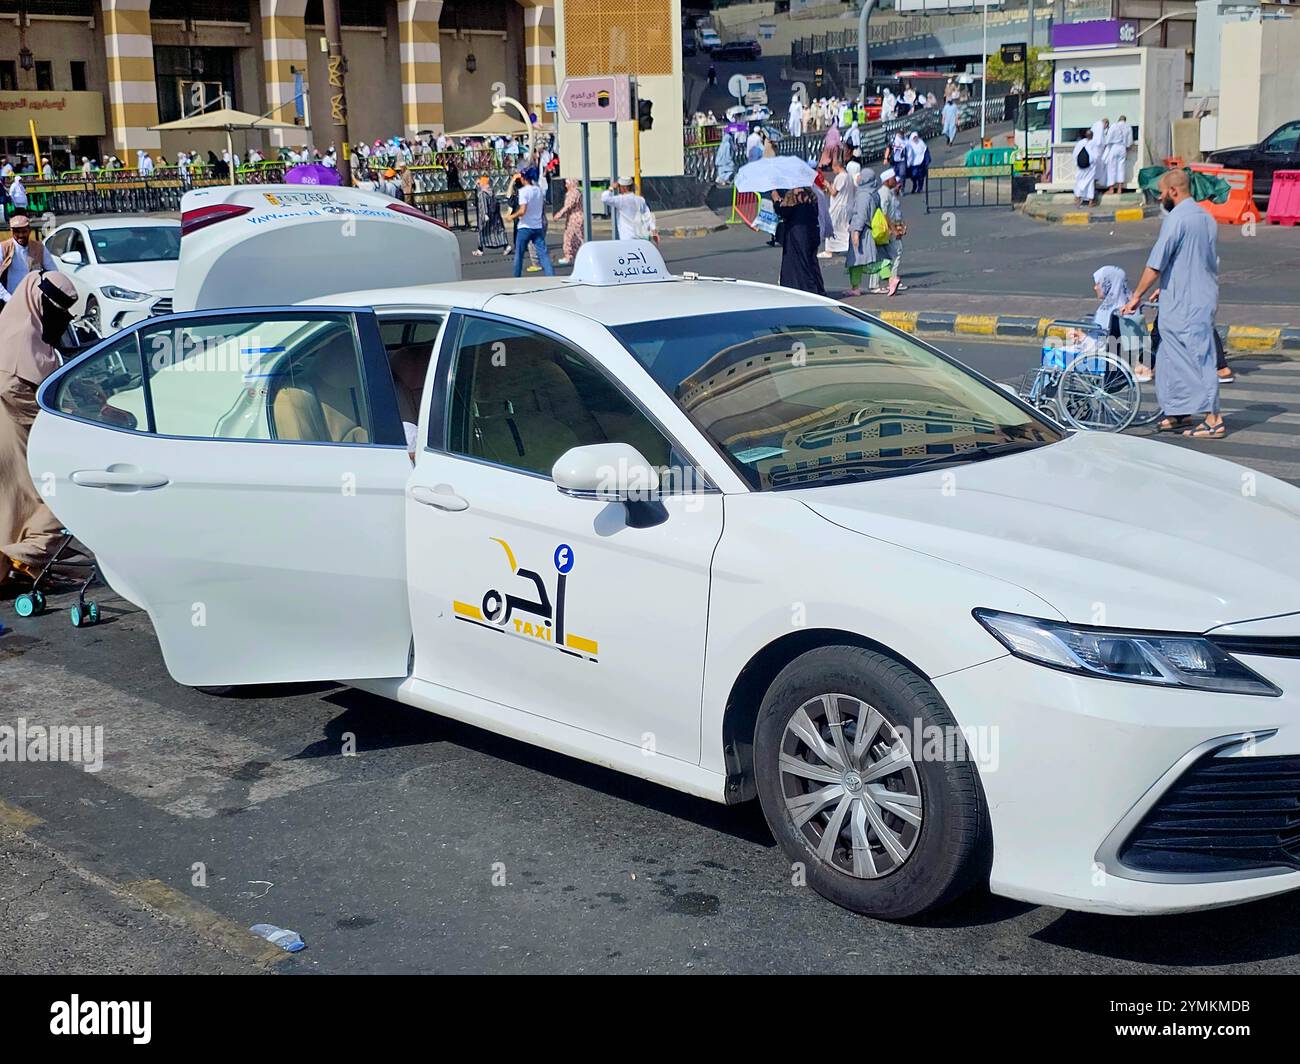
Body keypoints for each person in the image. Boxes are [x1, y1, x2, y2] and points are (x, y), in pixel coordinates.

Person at [1122, 168, 1224, 438]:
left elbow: (1156, 263)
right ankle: (1179, 411)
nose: (1159, 197)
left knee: (1198, 356)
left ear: (1174, 191)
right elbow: (1195, 261)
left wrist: (1136, 296)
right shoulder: (1206, 218)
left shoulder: (1177, 219)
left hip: (1188, 303)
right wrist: (1164, 289)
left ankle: (1214, 419)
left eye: (1162, 192)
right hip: (1189, 297)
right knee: (1169, 356)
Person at [0, 271, 79, 588]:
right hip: (18, 435)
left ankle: (19, 565)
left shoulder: (19, 328)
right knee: (56, 497)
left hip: (17, 436)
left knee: (15, 502)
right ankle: (20, 557)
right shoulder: (20, 342)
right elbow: (17, 388)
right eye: (57, 309)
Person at [773, 186, 825, 296]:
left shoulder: (799, 204)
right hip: (810, 235)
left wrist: (776, 200)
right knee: (810, 262)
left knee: (799, 264)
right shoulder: (812, 201)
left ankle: (807, 289)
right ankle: (816, 288)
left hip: (797, 238)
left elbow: (783, 211)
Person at [506, 167, 553, 278]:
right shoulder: (538, 190)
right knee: (543, 253)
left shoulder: (523, 191)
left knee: (519, 255)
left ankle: (516, 277)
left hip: (525, 226)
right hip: (537, 226)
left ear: (524, 178)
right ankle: (551, 276)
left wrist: (511, 216)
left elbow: (522, 211)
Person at [0, 216, 57, 304]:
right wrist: (8, 298)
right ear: (11, 231)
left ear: (29, 230)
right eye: (17, 232)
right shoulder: (3, 248)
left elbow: (53, 272)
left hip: (34, 297)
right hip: (11, 298)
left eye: (24, 231)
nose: (21, 235)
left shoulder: (39, 248)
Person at [843, 162, 876, 297]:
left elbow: (860, 215)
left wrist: (856, 231)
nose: (858, 178)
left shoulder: (863, 195)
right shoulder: (872, 193)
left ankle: (855, 287)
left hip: (862, 232)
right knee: (867, 259)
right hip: (867, 230)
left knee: (856, 260)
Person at [878, 167, 905, 297]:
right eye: (893, 179)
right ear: (887, 180)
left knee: (890, 254)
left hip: (891, 227)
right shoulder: (884, 193)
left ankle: (891, 280)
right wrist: (893, 229)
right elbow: (884, 213)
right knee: (895, 253)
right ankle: (892, 279)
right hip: (887, 229)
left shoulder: (888, 192)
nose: (895, 181)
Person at [601, 177, 653, 242]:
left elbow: (604, 198)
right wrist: (653, 230)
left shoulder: (620, 200)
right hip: (641, 235)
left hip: (627, 237)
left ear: (623, 188)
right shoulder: (640, 199)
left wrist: (611, 188)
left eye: (619, 186)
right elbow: (647, 215)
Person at [820, 156, 852, 259]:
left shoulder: (841, 177)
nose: (832, 170)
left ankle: (829, 250)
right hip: (846, 205)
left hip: (838, 206)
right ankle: (843, 246)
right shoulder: (848, 176)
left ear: (837, 166)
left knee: (832, 226)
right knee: (843, 227)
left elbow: (834, 192)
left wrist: (827, 185)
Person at [552, 177, 585, 265]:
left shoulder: (573, 193)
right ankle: (579, 255)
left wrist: (558, 215)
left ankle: (568, 256)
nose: (566, 186)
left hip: (574, 218)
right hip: (576, 217)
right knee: (578, 237)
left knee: (569, 237)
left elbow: (568, 206)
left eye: (567, 183)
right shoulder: (577, 191)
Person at [472, 175, 507, 257]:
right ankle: (505, 245)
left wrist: (485, 214)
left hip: (486, 216)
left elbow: (483, 205)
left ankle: (480, 249)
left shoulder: (482, 194)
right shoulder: (491, 192)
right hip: (494, 215)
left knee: (482, 231)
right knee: (497, 231)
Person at [1105, 115, 1133, 194]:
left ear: (1119, 119)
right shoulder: (1128, 127)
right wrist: (1126, 147)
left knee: (1112, 167)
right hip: (1123, 148)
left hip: (1114, 147)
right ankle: (1120, 188)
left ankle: (1111, 188)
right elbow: (1129, 141)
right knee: (1121, 167)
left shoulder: (1114, 125)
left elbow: (1108, 138)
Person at [1072, 129, 1097, 207]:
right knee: (1090, 183)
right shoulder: (1094, 143)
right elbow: (1095, 157)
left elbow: (1075, 154)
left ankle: (1077, 200)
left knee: (1079, 182)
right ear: (1092, 136)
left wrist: (1077, 163)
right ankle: (1090, 202)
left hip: (1080, 167)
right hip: (1090, 167)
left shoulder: (1080, 143)